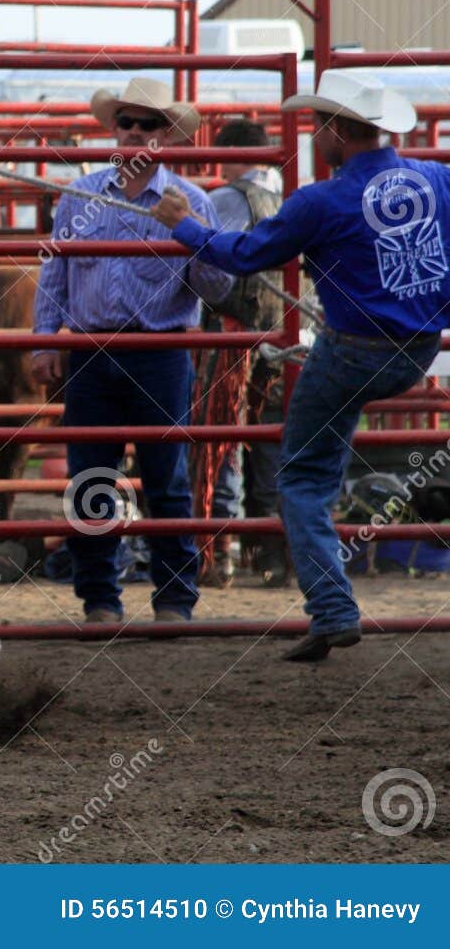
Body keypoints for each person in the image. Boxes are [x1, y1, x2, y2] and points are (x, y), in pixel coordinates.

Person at [155, 70, 450, 662]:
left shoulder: (321, 200)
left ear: (339, 131)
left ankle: (332, 608)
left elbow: (246, 254)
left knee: (303, 479)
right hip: (418, 348)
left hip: (351, 351)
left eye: (320, 126)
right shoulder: (439, 178)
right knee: (314, 466)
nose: (315, 136)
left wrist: (181, 223)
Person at [31, 77, 233, 624]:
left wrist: (190, 232)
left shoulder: (190, 203)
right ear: (115, 130)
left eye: (149, 124)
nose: (137, 132)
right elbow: (56, 273)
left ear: (166, 135)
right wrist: (43, 340)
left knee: (166, 477)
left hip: (161, 351)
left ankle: (173, 599)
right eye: (128, 122)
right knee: (90, 477)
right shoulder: (80, 196)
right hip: (92, 353)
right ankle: (99, 598)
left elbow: (218, 289)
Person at [196, 119, 287, 587]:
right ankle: (270, 553)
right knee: (270, 443)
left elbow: (216, 268)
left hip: (233, 337)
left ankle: (220, 553)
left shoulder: (227, 200)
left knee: (223, 442)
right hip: (281, 337)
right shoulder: (289, 200)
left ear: (232, 152)